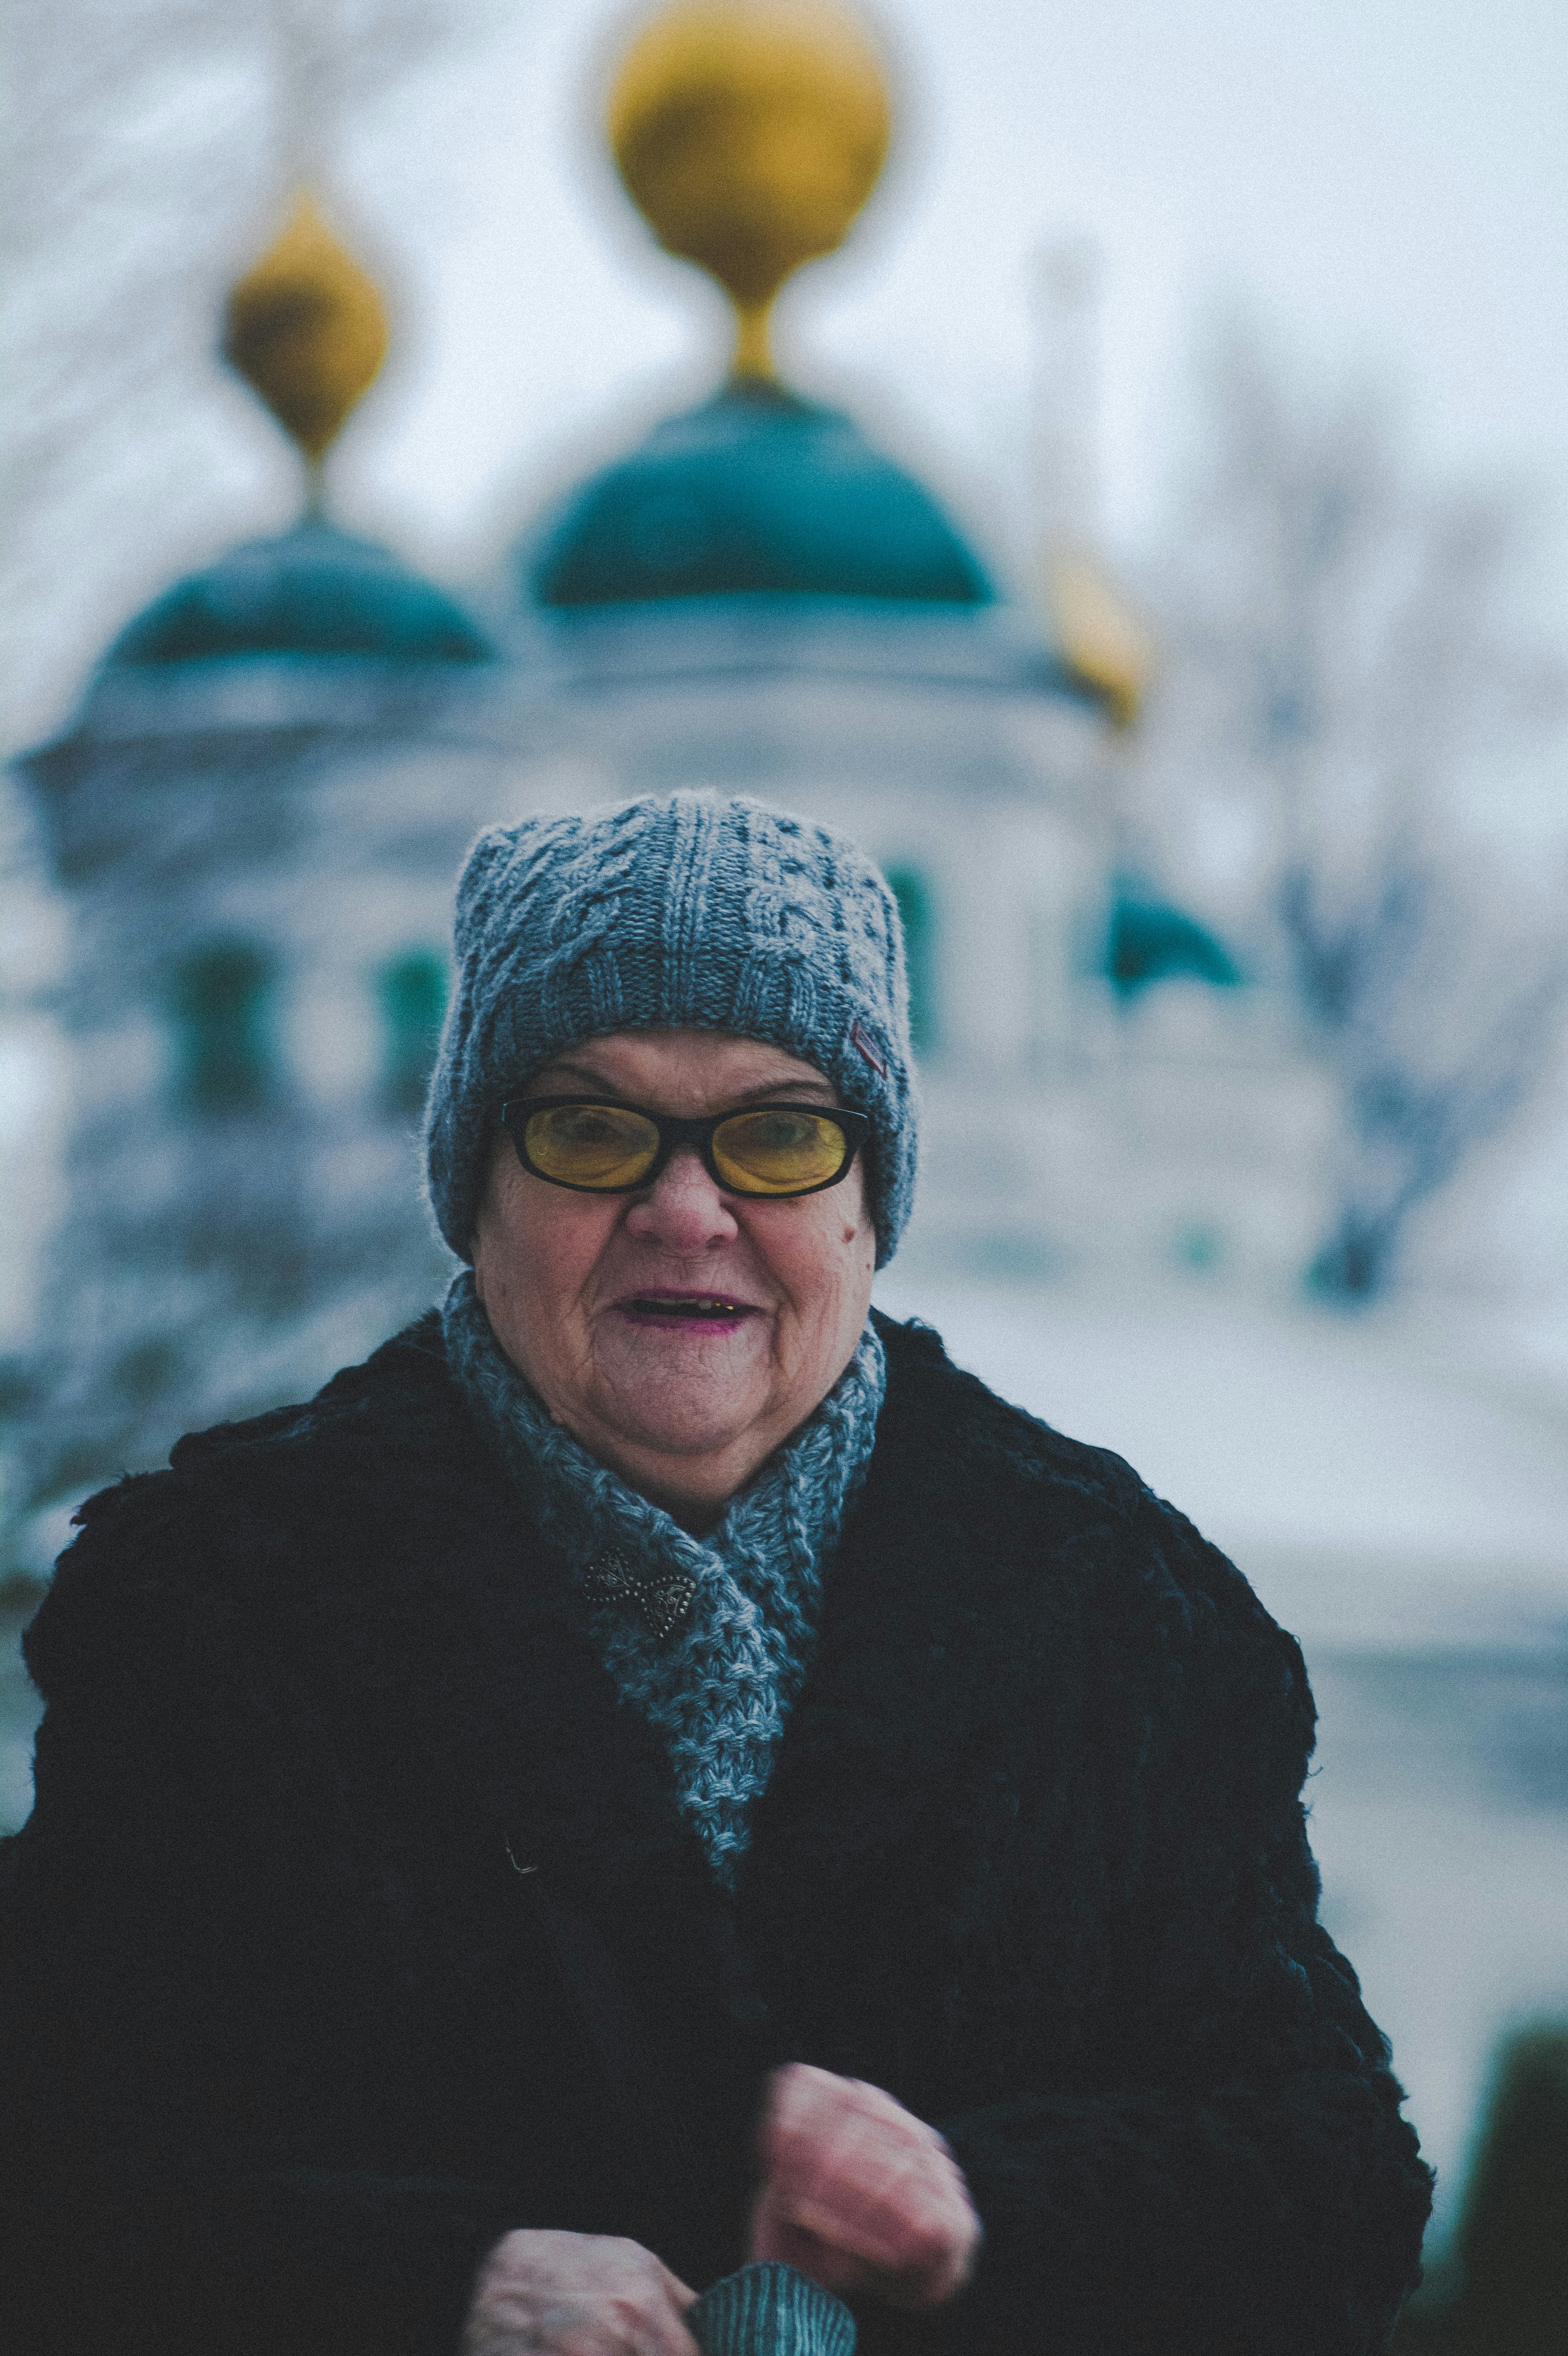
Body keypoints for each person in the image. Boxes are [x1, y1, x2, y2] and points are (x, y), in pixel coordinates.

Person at [0, 793, 1432, 2356]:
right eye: (591, 1126)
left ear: (869, 1201)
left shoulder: (1124, 1618)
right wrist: (430, 2288)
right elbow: (61, 2182)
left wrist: (986, 2210)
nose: (688, 1209)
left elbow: (1333, 2190)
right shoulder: (217, 1601)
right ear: (476, 1188)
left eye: (780, 1132)